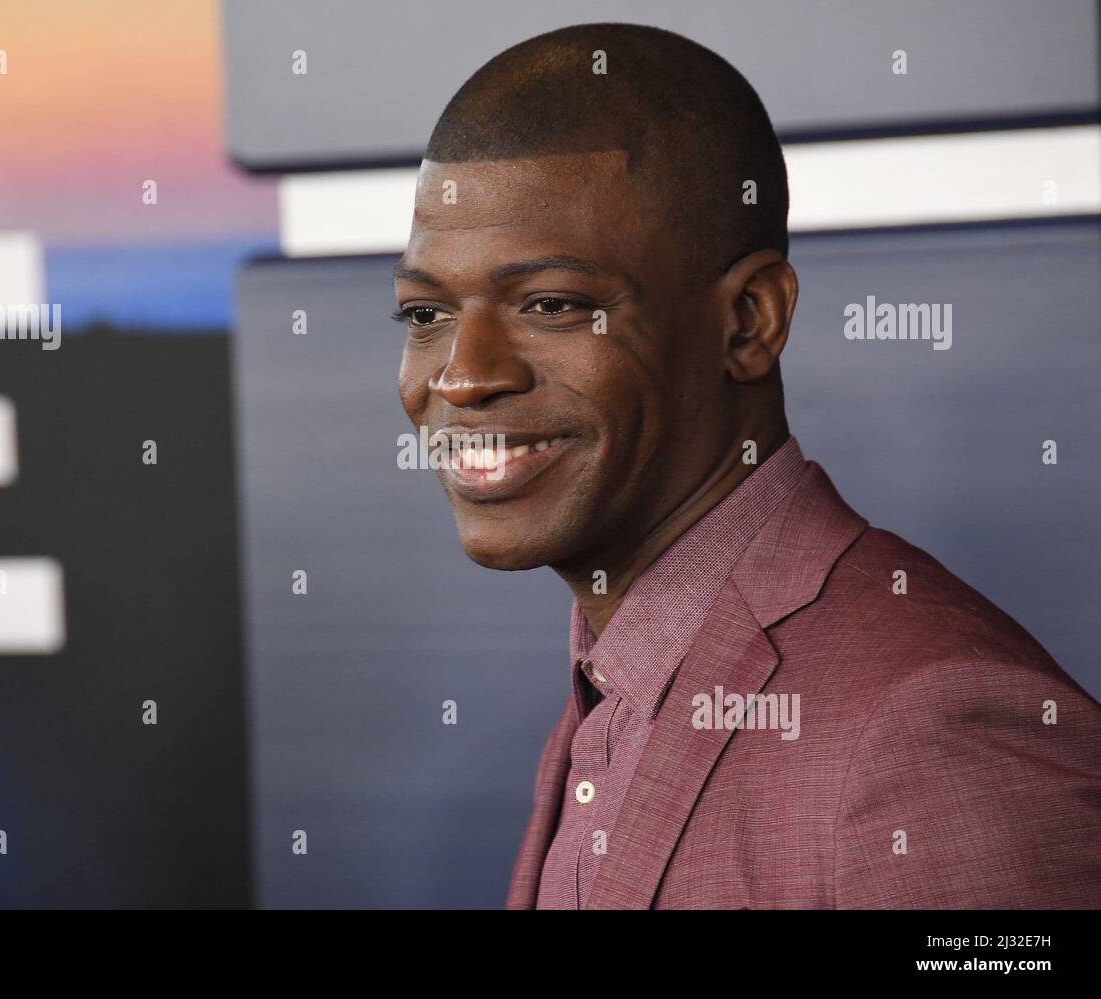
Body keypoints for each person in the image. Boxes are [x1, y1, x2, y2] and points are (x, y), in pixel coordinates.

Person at [393, 22, 1101, 908]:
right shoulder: (610, 674)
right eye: (424, 314)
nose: (462, 374)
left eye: (552, 303)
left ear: (750, 322)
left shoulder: (933, 730)